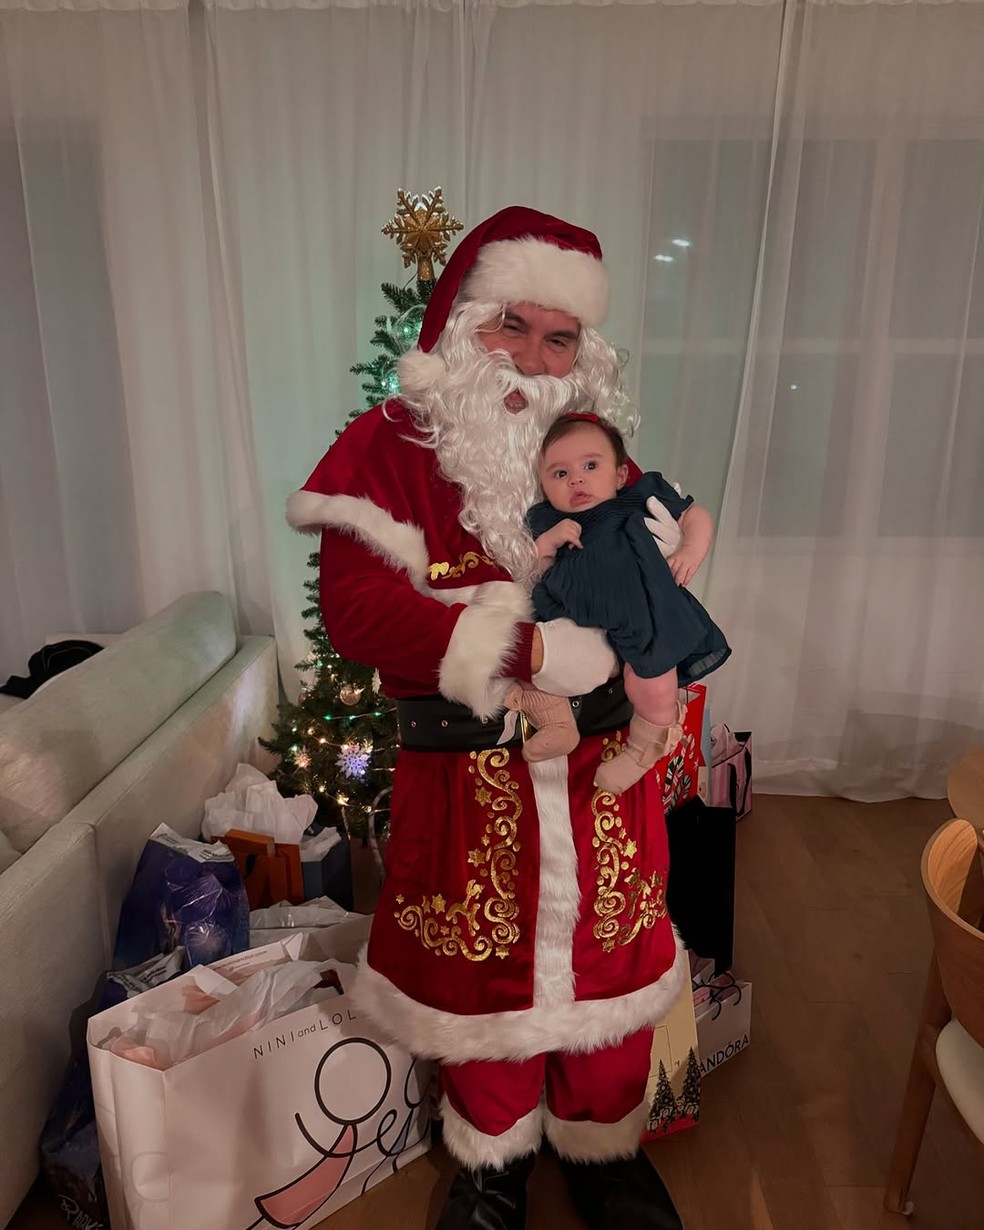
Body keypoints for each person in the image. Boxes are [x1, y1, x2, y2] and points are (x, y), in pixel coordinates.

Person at [288, 206, 688, 1230]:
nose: (535, 358)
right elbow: (359, 610)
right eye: (514, 324)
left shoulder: (595, 453)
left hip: (599, 769)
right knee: (478, 969)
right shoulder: (383, 449)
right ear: (465, 321)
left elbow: (659, 587)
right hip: (466, 773)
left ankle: (602, 1151)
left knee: (608, 959)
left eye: (561, 338)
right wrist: (527, 649)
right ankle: (493, 1161)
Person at [504, 411, 730, 795]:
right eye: (559, 474)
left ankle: (645, 748)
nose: (576, 479)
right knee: (530, 657)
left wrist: (690, 549)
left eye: (591, 465)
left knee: (651, 678)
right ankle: (557, 724)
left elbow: (696, 514)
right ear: (543, 484)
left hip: (639, 605)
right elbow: (529, 567)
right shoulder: (545, 517)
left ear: (621, 474)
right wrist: (547, 542)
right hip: (571, 613)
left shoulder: (635, 499)